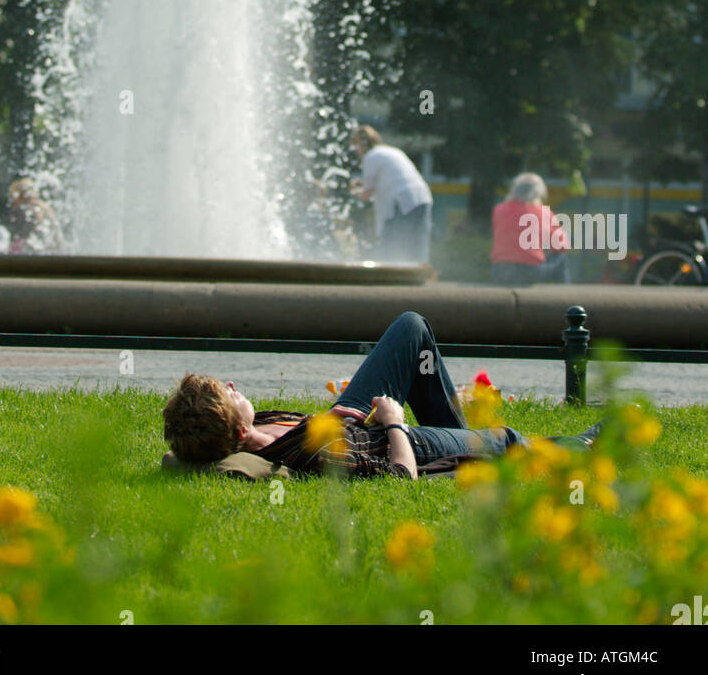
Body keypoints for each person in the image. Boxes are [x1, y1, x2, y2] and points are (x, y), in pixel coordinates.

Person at [163, 312, 602, 478]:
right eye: (228, 392)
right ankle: (582, 446)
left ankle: (456, 431)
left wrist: (343, 414)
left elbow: (188, 445)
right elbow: (400, 478)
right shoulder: (314, 455)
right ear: (239, 432)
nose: (235, 386)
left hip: (353, 418)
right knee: (505, 440)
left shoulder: (256, 427)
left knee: (411, 327)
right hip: (399, 438)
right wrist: (394, 422)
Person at [350, 125, 433, 265]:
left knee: (393, 246)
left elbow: (366, 195)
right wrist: (364, 187)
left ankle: (388, 279)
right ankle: (418, 277)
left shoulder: (371, 157)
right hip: (422, 197)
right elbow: (389, 180)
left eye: (355, 145)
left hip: (403, 202)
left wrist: (354, 192)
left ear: (361, 144)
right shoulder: (391, 151)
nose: (355, 150)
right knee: (416, 244)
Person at [490, 172, 571, 286]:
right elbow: (562, 246)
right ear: (539, 192)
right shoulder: (543, 212)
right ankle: (566, 297)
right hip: (529, 273)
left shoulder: (499, 209)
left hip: (499, 272)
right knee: (561, 257)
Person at [6, 178, 65, 253]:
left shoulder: (41, 208)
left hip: (36, 247)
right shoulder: (41, 207)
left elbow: (56, 231)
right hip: (34, 247)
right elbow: (57, 232)